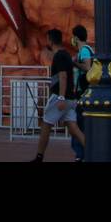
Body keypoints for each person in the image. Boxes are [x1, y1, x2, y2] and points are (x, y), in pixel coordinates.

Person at [31, 28, 85, 161]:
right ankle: (94, 153)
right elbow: (60, 76)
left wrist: (60, 97)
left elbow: (63, 76)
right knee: (74, 128)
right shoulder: (66, 54)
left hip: (61, 97)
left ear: (50, 40)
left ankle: (39, 157)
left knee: (46, 125)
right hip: (70, 98)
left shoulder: (59, 56)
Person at [69, 24, 93, 162]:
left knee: (77, 124)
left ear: (76, 38)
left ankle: (80, 153)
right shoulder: (87, 49)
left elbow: (88, 67)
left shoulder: (84, 50)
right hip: (84, 91)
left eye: (73, 36)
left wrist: (75, 64)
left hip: (83, 92)